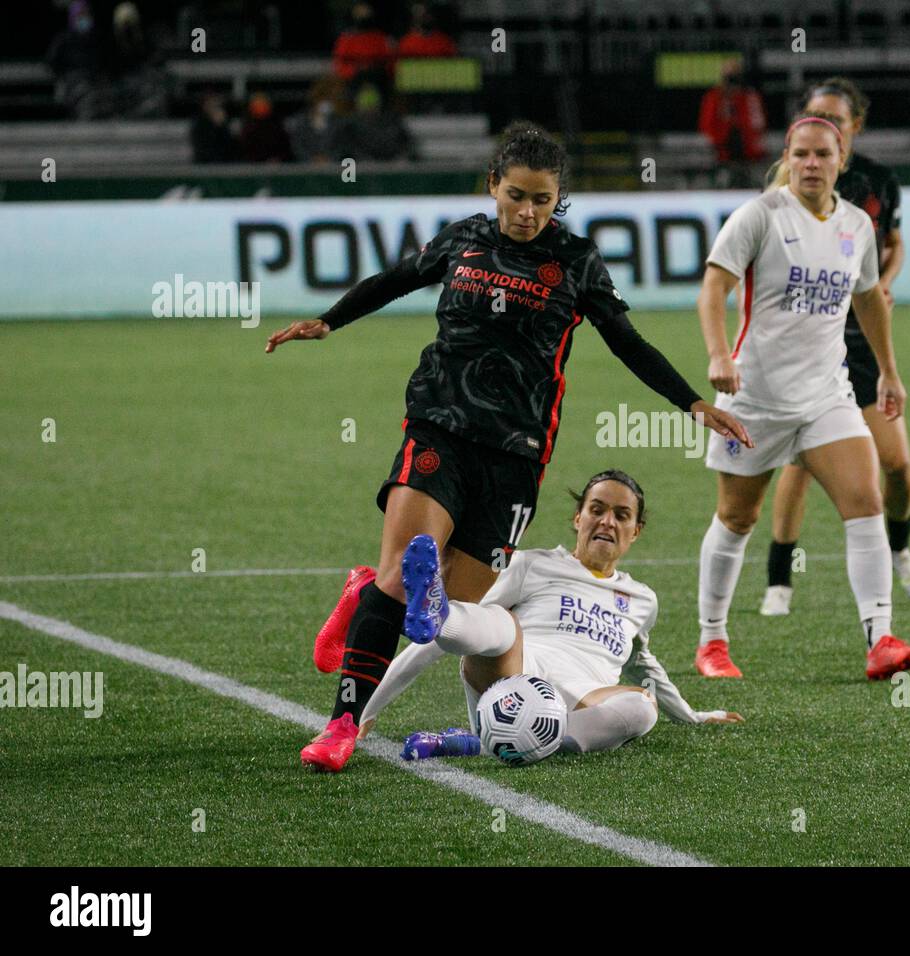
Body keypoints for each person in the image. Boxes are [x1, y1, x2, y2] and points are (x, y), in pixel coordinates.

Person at [266, 123, 751, 772]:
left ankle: (362, 592)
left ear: (558, 201)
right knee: (403, 581)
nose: (526, 212)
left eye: (542, 200)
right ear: (493, 185)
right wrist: (328, 321)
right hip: (438, 427)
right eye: (515, 195)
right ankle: (342, 725)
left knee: (454, 617)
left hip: (516, 458)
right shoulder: (464, 238)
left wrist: (690, 401)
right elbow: (398, 277)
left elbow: (626, 341)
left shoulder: (575, 262)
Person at [692, 111, 910, 682]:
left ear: (841, 161)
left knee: (866, 501)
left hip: (828, 395)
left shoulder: (855, 226)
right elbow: (714, 286)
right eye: (801, 154)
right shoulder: (759, 215)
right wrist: (719, 354)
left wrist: (888, 372)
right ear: (787, 158)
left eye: (823, 154)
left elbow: (869, 298)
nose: (811, 164)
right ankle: (712, 641)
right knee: (736, 516)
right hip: (758, 398)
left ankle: (880, 640)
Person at [357, 470, 743, 761]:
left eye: (621, 515)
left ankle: (483, 744)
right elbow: (436, 646)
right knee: (496, 620)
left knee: (643, 705)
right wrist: (366, 708)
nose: (607, 521)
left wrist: (691, 715)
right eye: (597, 509)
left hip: (582, 702)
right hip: (512, 682)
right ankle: (440, 613)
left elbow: (642, 665)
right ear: (578, 518)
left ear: (635, 531)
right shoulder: (532, 565)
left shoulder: (642, 599)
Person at [762, 79, 910, 622]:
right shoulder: (787, 185)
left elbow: (893, 243)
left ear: (855, 126)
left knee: (899, 467)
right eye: (814, 116)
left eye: (835, 118)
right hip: (808, 347)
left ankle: (898, 545)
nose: (824, 126)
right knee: (801, 465)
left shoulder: (879, 184)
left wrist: (884, 282)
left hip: (861, 346)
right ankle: (779, 579)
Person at [698, 58, 768, 188]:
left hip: (748, 156)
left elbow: (758, 125)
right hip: (720, 155)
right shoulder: (714, 97)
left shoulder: (750, 97)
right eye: (729, 75)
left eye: (735, 75)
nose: (732, 80)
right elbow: (706, 126)